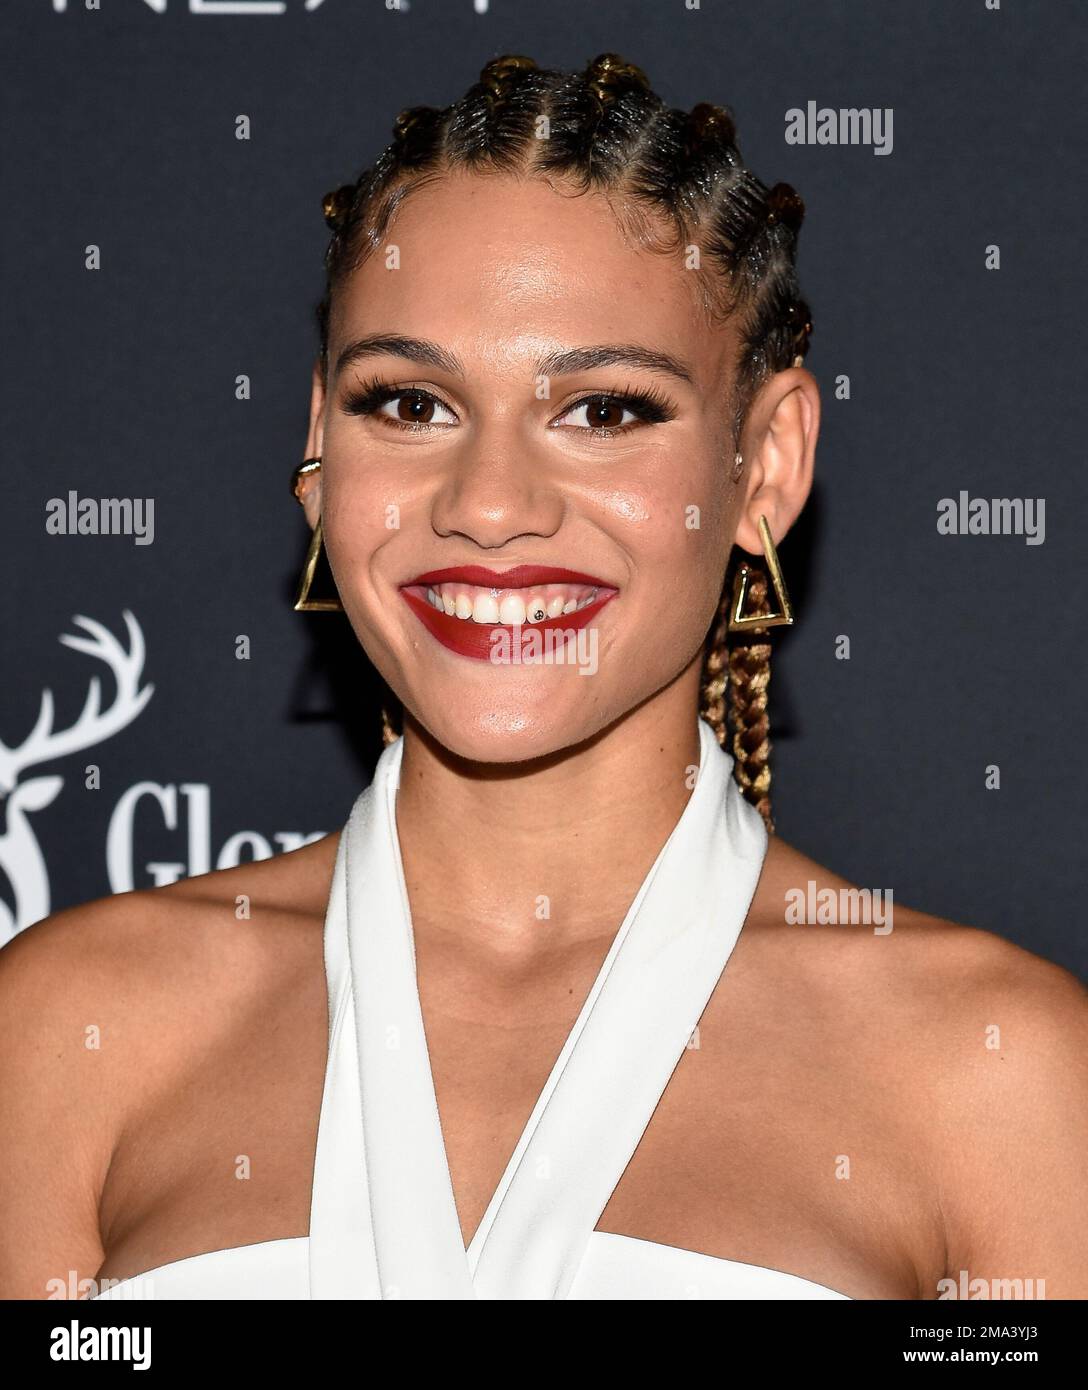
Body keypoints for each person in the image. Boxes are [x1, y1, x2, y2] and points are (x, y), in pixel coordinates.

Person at [2, 52, 1085, 1302]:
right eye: (407, 402)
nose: (489, 506)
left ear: (766, 464)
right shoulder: (71, 1029)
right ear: (317, 446)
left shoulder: (992, 1071)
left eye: (605, 410)